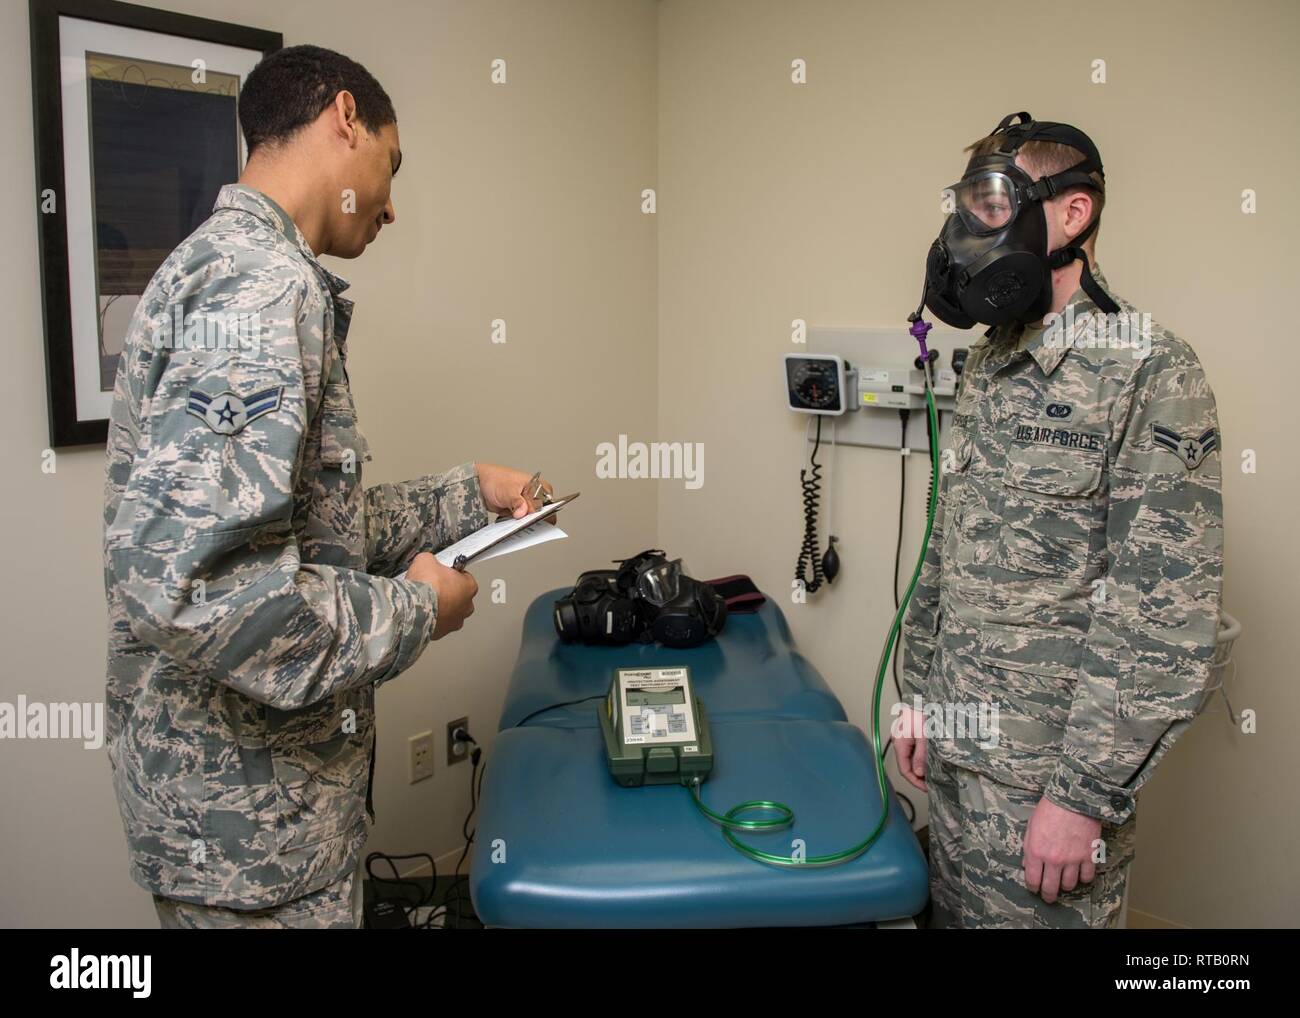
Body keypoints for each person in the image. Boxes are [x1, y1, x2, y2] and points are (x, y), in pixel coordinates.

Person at [102, 44, 550, 928]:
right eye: (392, 162)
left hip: (256, 825)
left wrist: (470, 493)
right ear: (346, 117)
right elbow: (207, 590)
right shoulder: (259, 286)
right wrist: (419, 609)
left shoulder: (226, 267)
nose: (391, 205)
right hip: (253, 836)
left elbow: (301, 529)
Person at [894, 113, 1224, 928]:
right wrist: (920, 697)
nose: (970, 230)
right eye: (967, 206)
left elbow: (1163, 612)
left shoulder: (1149, 367)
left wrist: (1082, 800)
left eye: (992, 204)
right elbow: (950, 545)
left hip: (1046, 783)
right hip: (958, 756)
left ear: (1071, 213)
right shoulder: (996, 356)